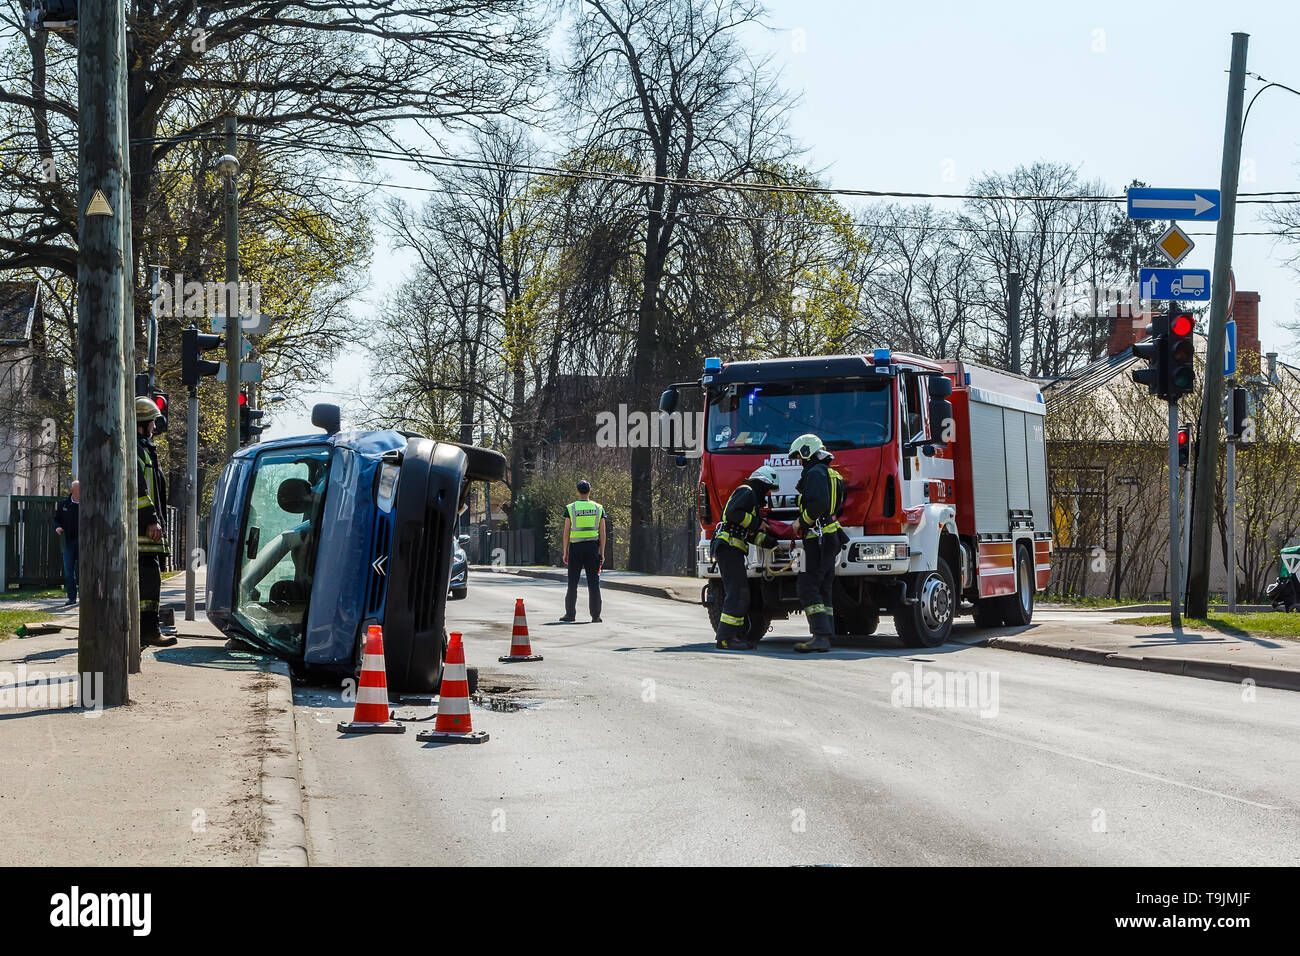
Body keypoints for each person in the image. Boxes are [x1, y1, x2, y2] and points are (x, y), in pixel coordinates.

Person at [788, 433, 848, 653]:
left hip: (818, 538)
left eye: (799, 457)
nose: (799, 462)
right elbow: (838, 505)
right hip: (830, 536)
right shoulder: (833, 474)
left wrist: (800, 522)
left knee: (807, 584)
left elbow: (819, 504)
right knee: (824, 585)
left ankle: (820, 636)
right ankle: (827, 632)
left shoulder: (814, 473)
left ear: (807, 451)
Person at [712, 466, 782, 650]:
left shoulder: (750, 499)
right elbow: (734, 515)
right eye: (767, 489)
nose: (766, 494)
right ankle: (726, 638)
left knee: (741, 593)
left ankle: (736, 635)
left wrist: (768, 541)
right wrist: (758, 523)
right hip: (728, 547)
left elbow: (746, 533)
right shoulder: (747, 491)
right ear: (762, 483)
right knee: (737, 593)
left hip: (731, 548)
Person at [136, 397, 176, 648]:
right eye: (153, 422)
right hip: (142, 533)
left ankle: (147, 630)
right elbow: (139, 488)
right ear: (144, 423)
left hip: (147, 533)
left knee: (150, 581)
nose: (154, 427)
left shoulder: (145, 449)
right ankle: (147, 631)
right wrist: (151, 520)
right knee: (147, 584)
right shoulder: (137, 451)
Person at [559, 479, 605, 623]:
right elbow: (602, 532)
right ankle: (596, 616)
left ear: (578, 491)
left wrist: (565, 551)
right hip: (592, 548)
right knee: (594, 583)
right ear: (589, 491)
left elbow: (566, 531)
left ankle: (570, 615)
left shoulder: (571, 508)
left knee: (573, 582)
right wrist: (601, 552)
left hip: (575, 548)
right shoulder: (599, 508)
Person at [53, 480, 80, 605]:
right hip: (68, 542)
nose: (80, 491)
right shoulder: (64, 504)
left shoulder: (87, 504)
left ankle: (85, 597)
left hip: (83, 543)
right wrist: (57, 527)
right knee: (69, 571)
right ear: (72, 491)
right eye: (78, 489)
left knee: (83, 570)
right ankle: (72, 597)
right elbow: (56, 520)